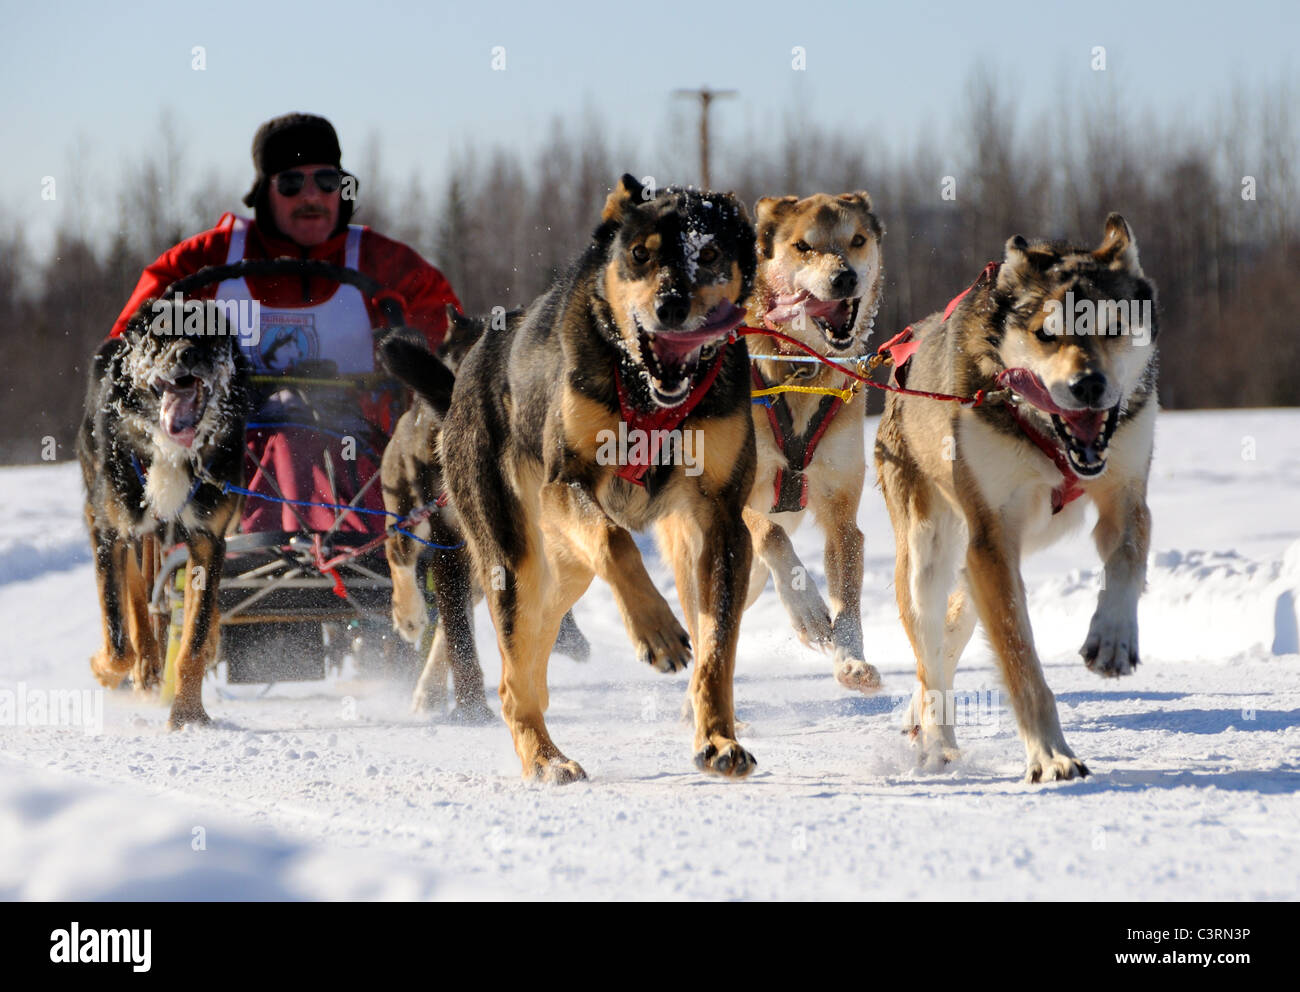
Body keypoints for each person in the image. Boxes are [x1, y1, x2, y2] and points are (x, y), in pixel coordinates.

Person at [112, 113, 460, 534]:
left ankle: (357, 542)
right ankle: (234, 544)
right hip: (227, 454)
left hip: (357, 453)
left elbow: (453, 352)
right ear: (264, 192)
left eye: (326, 182)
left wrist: (411, 345)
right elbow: (130, 347)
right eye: (292, 183)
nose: (310, 196)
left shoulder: (385, 266)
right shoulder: (206, 262)